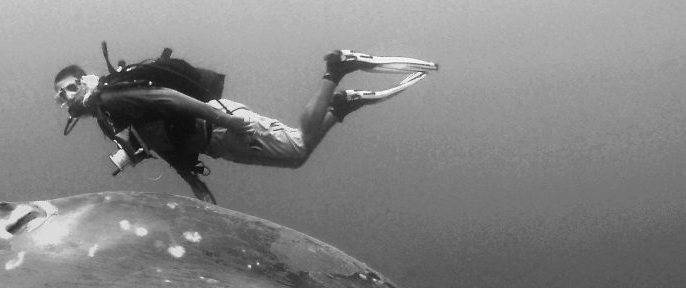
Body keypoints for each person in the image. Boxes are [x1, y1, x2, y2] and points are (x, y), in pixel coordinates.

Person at [54, 47, 438, 203]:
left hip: (224, 128)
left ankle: (336, 72)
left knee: (299, 148)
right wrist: (195, 183)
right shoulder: (110, 113)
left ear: (84, 81)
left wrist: (229, 122)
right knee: (296, 155)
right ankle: (339, 106)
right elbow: (160, 138)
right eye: (60, 95)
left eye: (70, 88)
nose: (66, 98)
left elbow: (168, 100)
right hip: (218, 139)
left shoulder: (112, 98)